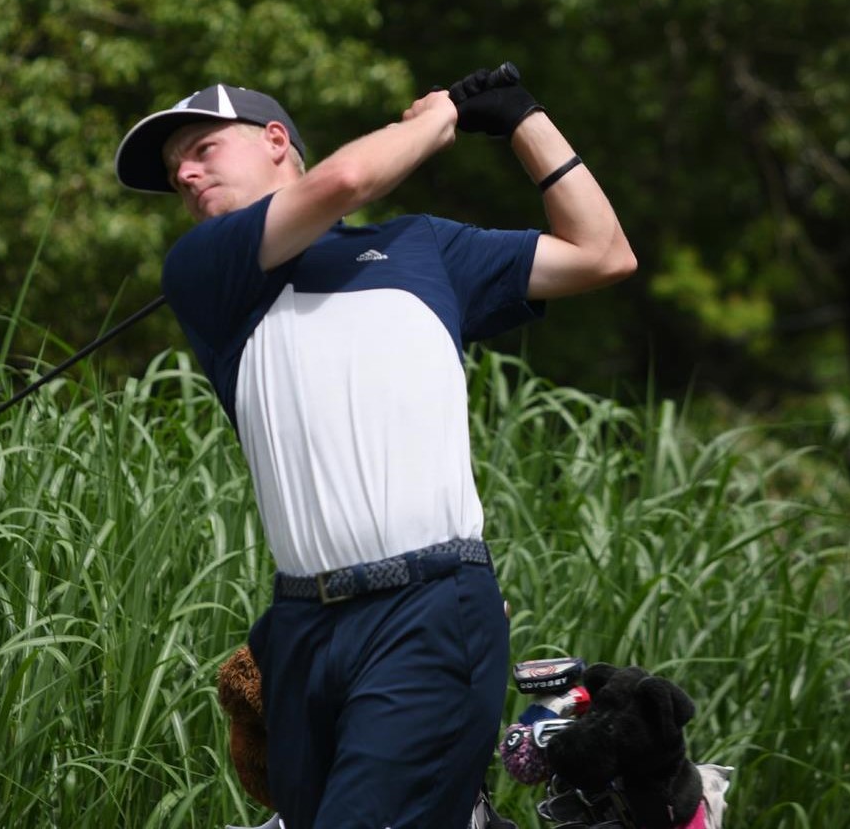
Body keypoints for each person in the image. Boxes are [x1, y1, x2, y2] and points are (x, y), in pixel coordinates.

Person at [114, 66, 635, 829]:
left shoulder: (426, 248)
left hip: (431, 607)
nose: (185, 175)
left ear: (274, 141)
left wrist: (523, 117)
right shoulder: (208, 269)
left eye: (201, 149)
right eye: (173, 172)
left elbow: (603, 253)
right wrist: (444, 116)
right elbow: (350, 177)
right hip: (301, 631)